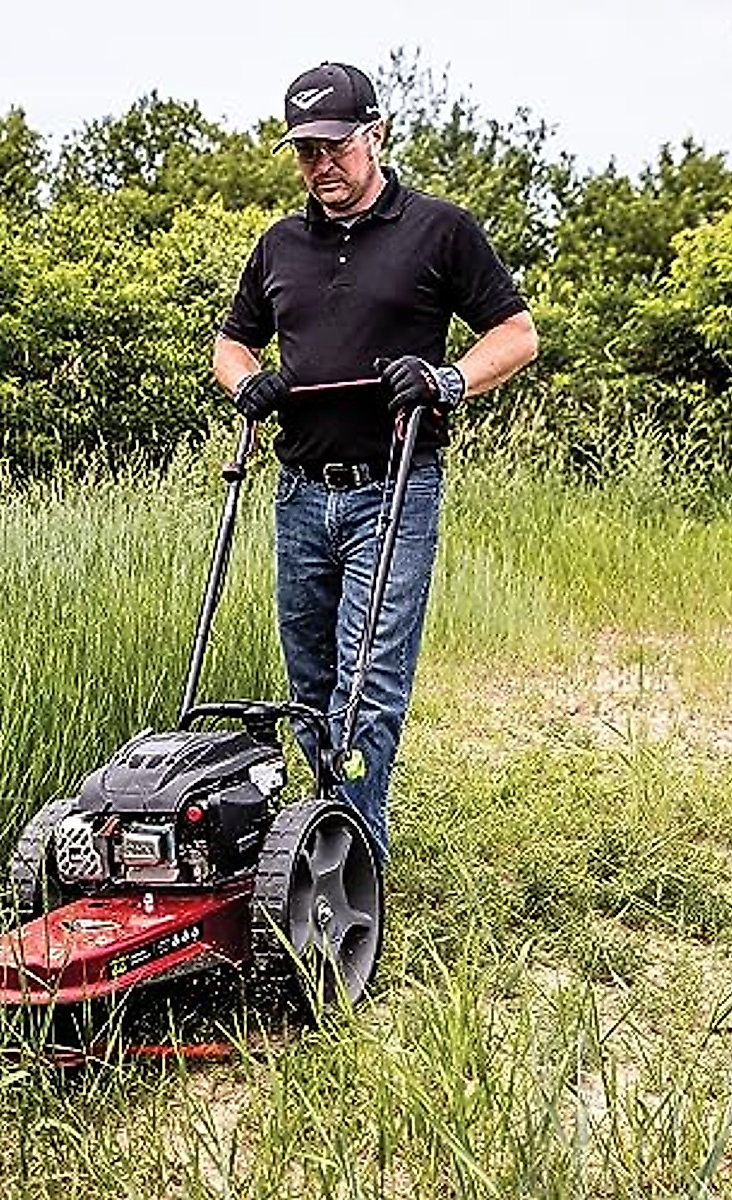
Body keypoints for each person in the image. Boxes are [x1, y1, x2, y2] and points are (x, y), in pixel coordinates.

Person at [214, 61, 538, 859]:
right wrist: (249, 383)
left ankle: (350, 867)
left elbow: (516, 335)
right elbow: (232, 343)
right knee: (311, 688)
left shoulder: (439, 229)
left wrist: (446, 380)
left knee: (367, 689)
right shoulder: (280, 244)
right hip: (300, 495)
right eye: (306, 151)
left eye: (335, 146)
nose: (321, 164)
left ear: (376, 135)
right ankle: (321, 839)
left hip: (394, 489)